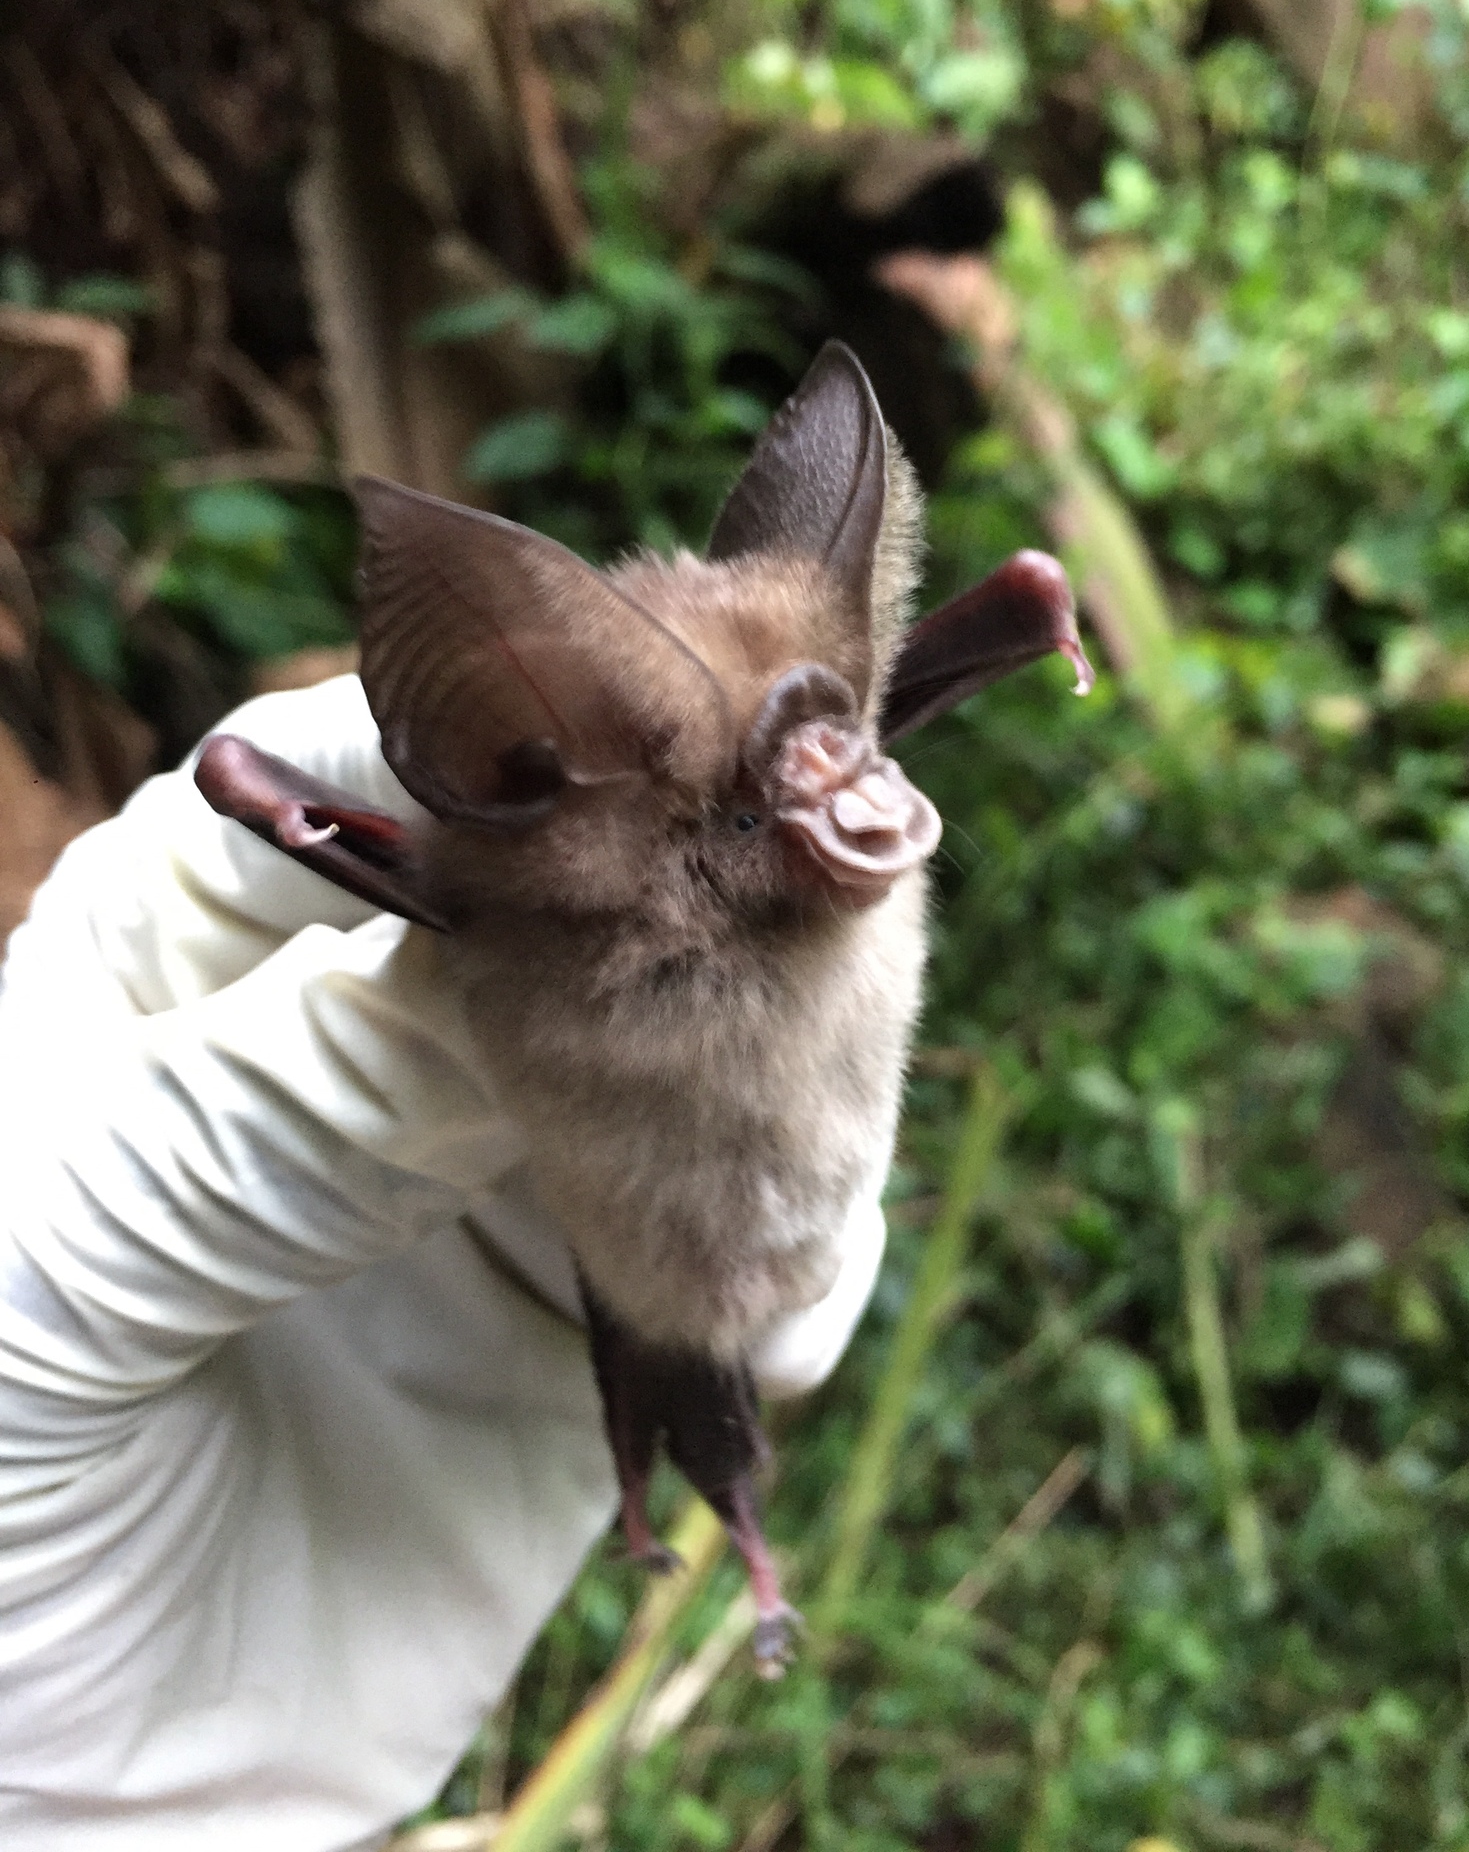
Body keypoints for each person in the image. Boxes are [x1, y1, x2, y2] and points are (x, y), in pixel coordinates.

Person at [0, 672, 888, 1851]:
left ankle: (716, 1527)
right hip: (531, 958)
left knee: (682, 1324)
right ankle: (714, 1530)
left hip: (636, 1168)